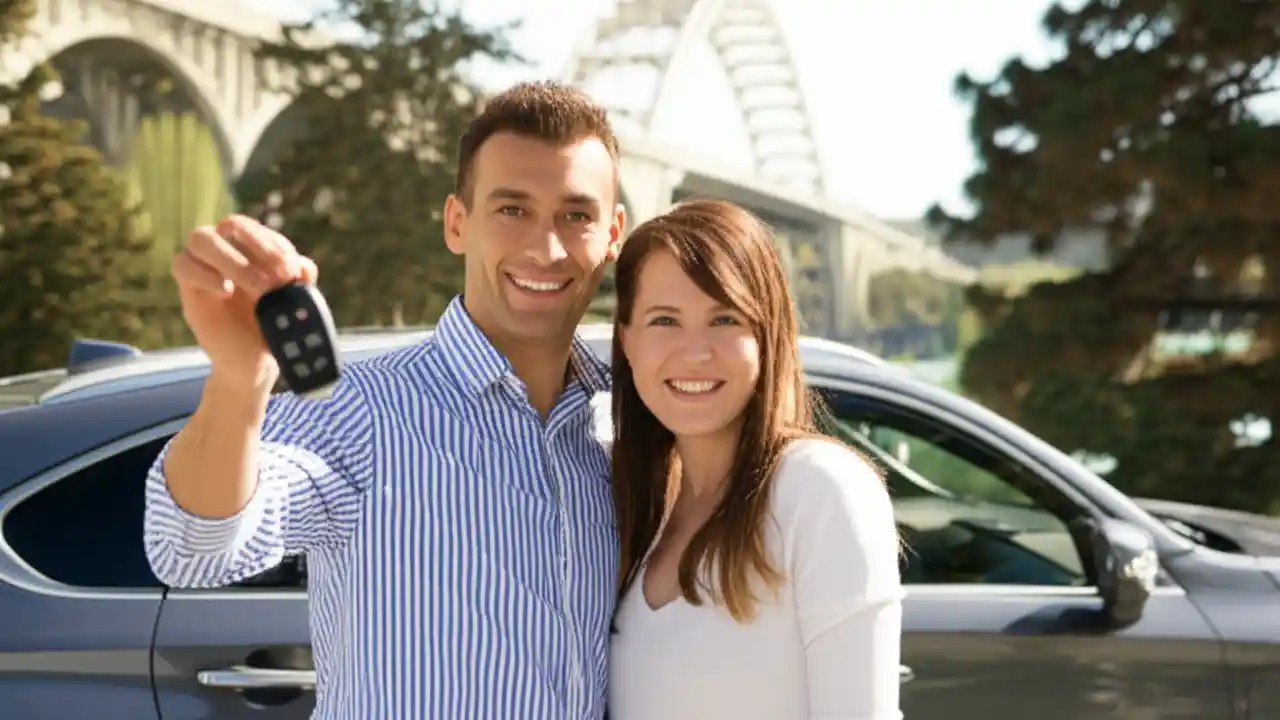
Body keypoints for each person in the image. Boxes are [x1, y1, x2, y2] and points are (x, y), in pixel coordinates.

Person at [143, 81, 626, 719]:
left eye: (576, 214)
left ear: (613, 233)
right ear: (458, 223)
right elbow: (194, 547)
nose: (546, 247)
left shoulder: (624, 430)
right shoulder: (360, 410)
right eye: (512, 210)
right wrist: (238, 382)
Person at [605, 199, 904, 720]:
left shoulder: (818, 491)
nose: (695, 351)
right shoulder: (637, 505)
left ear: (768, 336)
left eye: (725, 318)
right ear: (627, 340)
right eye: (664, 320)